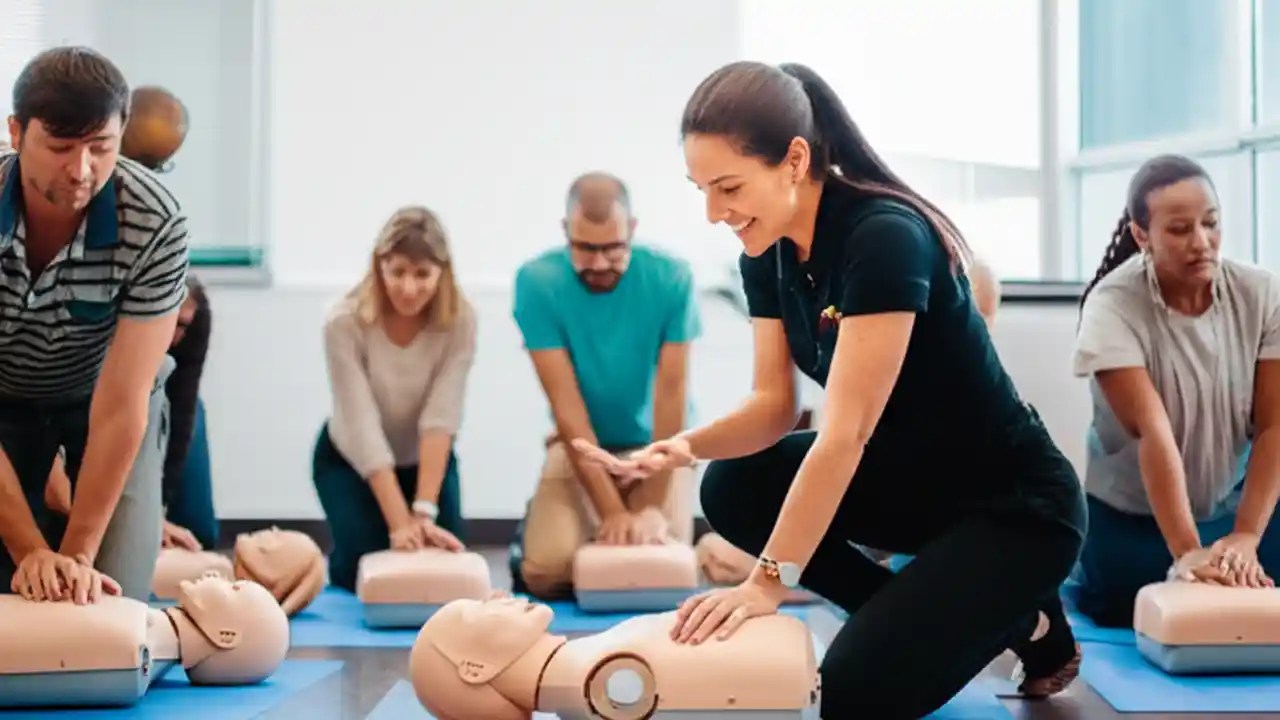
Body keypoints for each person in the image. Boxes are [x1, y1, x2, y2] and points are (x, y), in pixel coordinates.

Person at [574, 61, 1086, 718]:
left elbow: (845, 435)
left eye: (727, 187)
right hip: (919, 488)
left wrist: (766, 584)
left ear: (794, 160)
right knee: (731, 486)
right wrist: (677, 448)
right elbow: (772, 408)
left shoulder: (883, 238)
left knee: (850, 697)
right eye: (700, 189)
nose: (713, 213)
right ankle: (999, 623)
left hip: (1017, 509)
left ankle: (992, 609)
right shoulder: (765, 251)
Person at [0, 47, 190, 603]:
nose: (81, 171)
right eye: (60, 148)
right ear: (16, 132)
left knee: (108, 601)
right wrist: (28, 548)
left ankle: (71, 520)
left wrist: (79, 555)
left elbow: (122, 400)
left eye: (100, 148)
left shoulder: (157, 221)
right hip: (6, 402)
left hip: (99, 404)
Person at [1070, 154, 1280, 628]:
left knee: (1257, 604)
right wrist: (1187, 553)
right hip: (1134, 513)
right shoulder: (1112, 305)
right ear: (1142, 235)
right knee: (1123, 610)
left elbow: (1274, 424)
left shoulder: (1263, 293)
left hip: (1236, 500)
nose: (1201, 242)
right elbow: (1152, 430)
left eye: (1211, 224)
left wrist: (1246, 536)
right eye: (1180, 229)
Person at [510, 172, 702, 600]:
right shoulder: (536, 283)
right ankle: (552, 528)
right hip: (578, 445)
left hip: (656, 448)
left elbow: (671, 393)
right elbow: (566, 405)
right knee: (545, 571)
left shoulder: (673, 278)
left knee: (662, 569)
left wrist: (649, 506)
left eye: (612, 248)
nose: (598, 263)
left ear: (632, 231)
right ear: (566, 233)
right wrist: (613, 512)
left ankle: (606, 533)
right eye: (585, 249)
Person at [45, 85, 216, 552]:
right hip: (68, 395)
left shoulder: (161, 236)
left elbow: (170, 404)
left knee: (201, 530)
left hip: (140, 396)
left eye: (162, 166)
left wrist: (153, 511)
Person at [312, 205, 475, 592]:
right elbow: (361, 424)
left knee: (442, 564)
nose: (408, 287)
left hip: (424, 461)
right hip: (351, 461)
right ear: (379, 265)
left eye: (422, 274)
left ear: (442, 273)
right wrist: (399, 524)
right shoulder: (343, 322)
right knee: (367, 567)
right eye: (397, 271)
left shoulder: (461, 322)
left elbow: (442, 415)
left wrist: (423, 512)